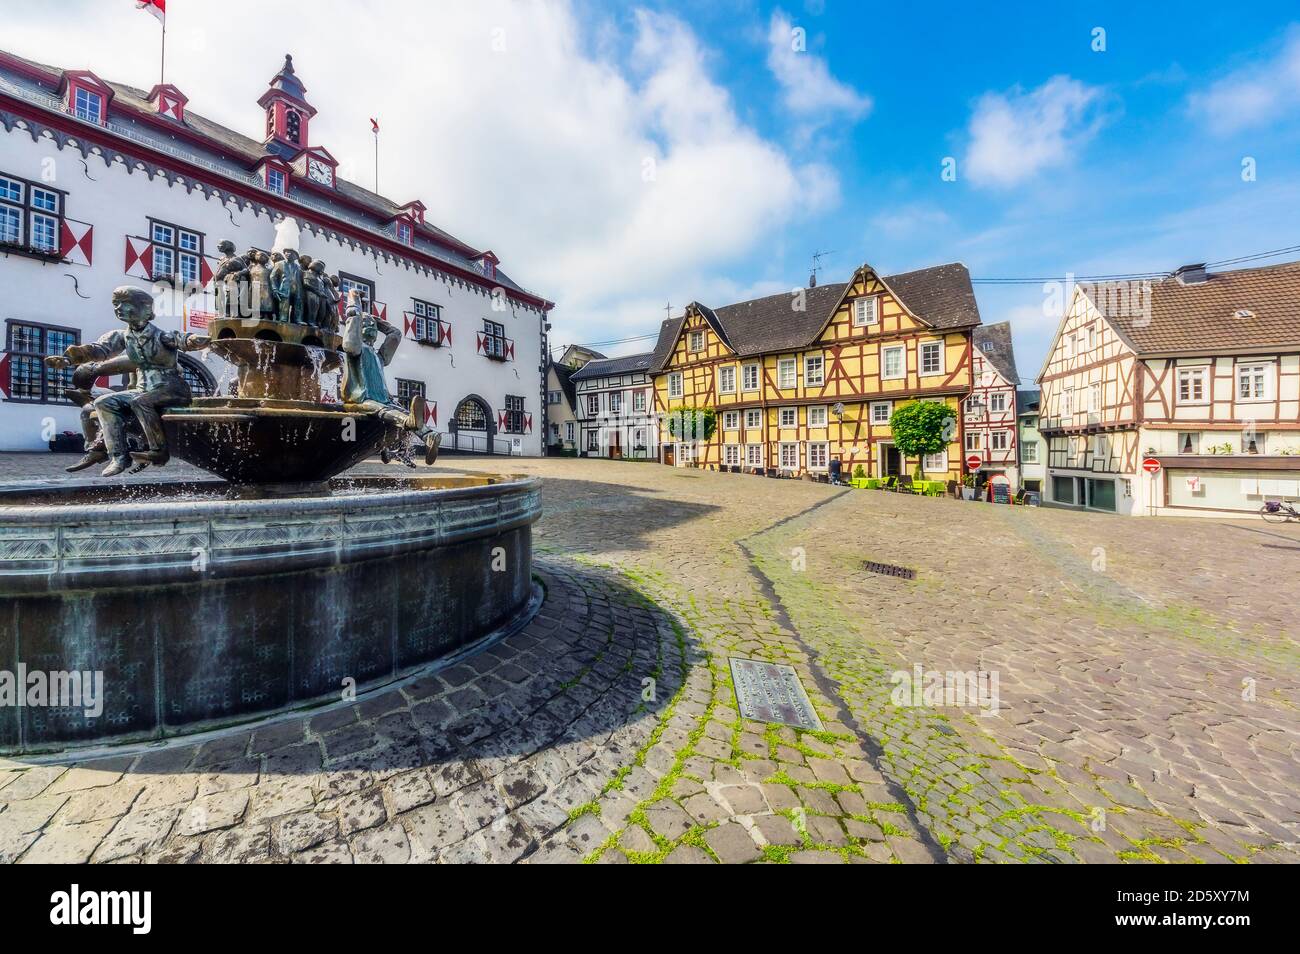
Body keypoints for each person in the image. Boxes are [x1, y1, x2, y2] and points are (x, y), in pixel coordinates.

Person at [46, 286, 211, 476]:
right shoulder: (122, 336)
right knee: (103, 402)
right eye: (116, 304)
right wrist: (67, 360)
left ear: (147, 310)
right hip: (143, 388)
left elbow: (184, 339)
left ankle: (159, 452)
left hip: (171, 388)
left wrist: (199, 340)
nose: (119, 308)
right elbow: (98, 350)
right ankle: (118, 457)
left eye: (127, 304)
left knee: (140, 402)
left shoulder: (162, 336)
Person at [339, 290, 440, 464]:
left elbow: (395, 334)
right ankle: (401, 437)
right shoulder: (355, 348)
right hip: (357, 399)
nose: (370, 328)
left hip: (381, 400)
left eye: (373, 326)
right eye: (366, 325)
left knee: (398, 409)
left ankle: (429, 436)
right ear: (357, 328)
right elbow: (351, 328)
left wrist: (376, 321)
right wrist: (354, 302)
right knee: (389, 412)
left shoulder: (379, 356)